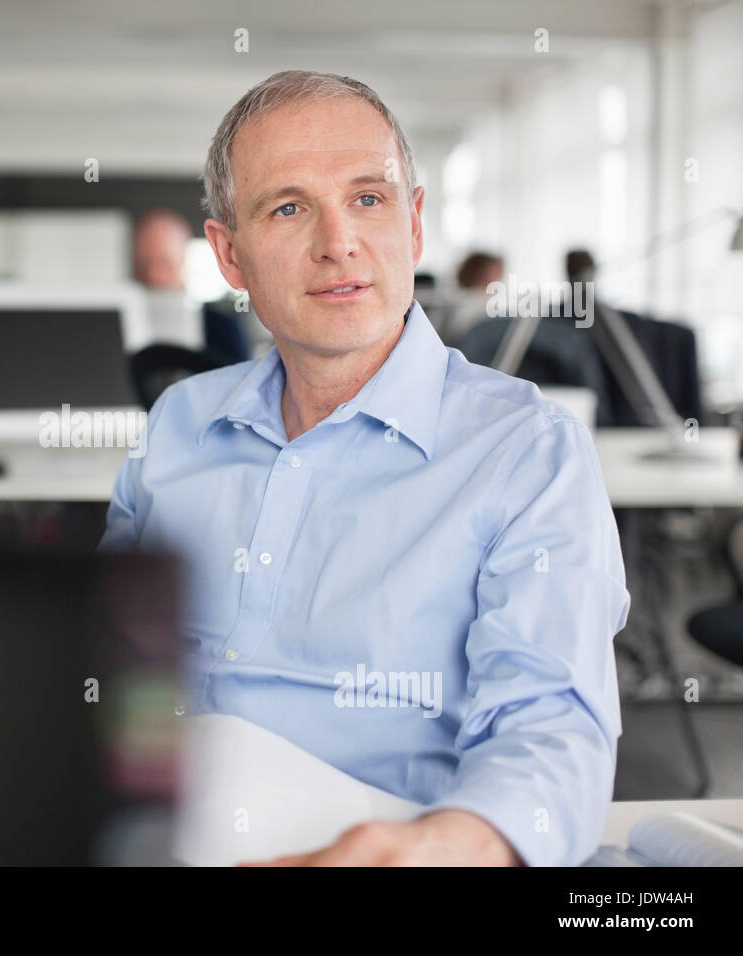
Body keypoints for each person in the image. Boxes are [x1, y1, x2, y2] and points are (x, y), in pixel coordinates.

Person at [100, 70, 629, 866]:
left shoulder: (527, 449)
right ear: (229, 255)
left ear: (414, 225)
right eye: (288, 207)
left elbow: (550, 732)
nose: (338, 241)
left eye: (369, 199)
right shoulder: (180, 425)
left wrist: (448, 847)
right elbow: (115, 675)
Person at [132, 207, 250, 364]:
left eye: (165, 264)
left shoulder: (222, 330)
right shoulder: (113, 330)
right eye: (143, 266)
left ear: (183, 258)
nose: (153, 275)